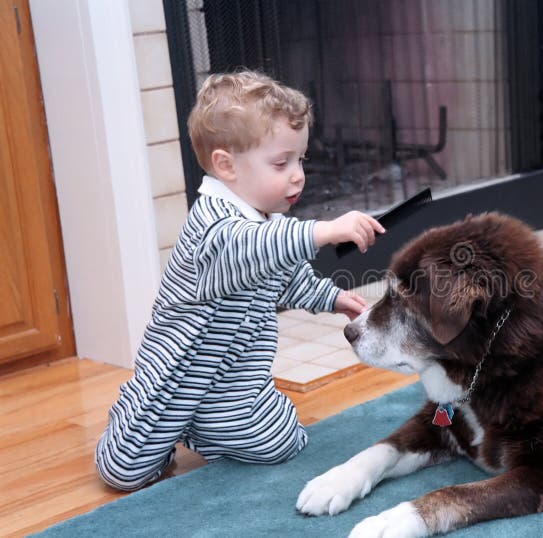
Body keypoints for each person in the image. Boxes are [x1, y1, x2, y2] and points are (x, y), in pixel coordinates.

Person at [95, 71, 384, 491]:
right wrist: (322, 231)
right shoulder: (214, 227)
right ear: (226, 166)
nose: (298, 175)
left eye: (300, 159)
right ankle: (139, 414)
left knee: (282, 441)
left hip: (234, 376)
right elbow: (250, 248)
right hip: (177, 373)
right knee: (123, 472)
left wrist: (332, 297)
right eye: (281, 163)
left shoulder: (265, 220)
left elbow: (283, 274)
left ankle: (208, 427)